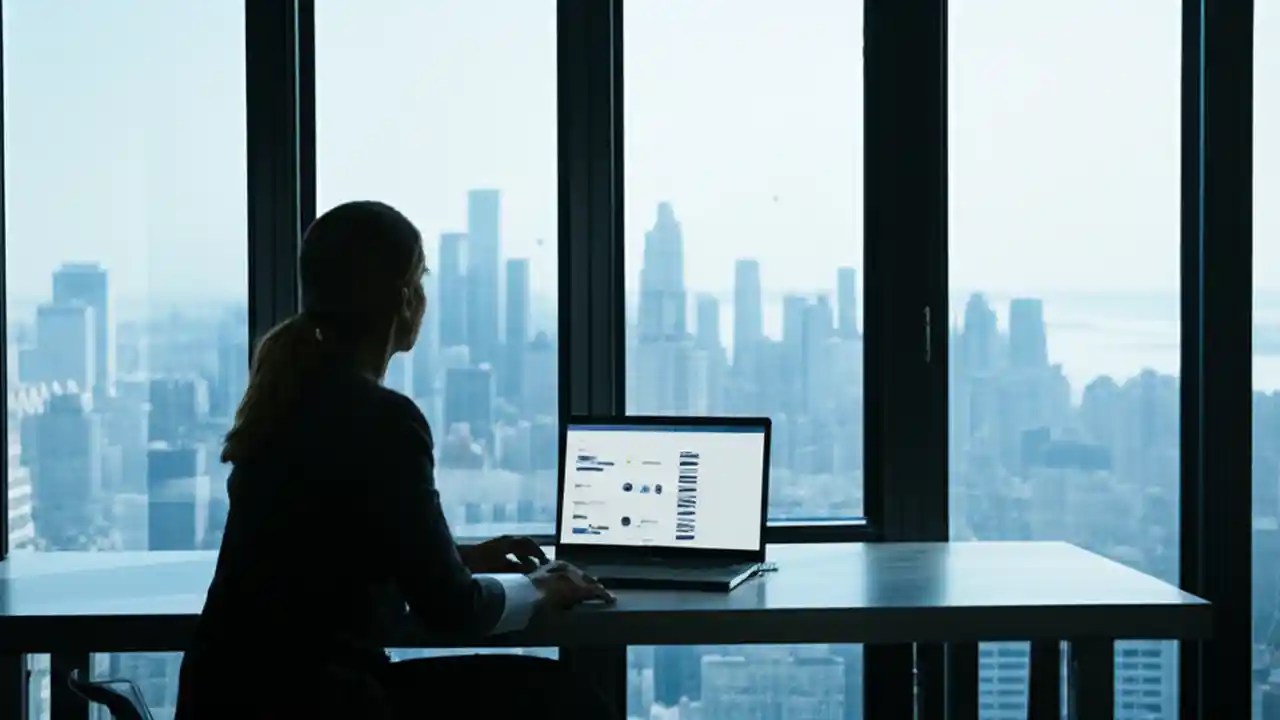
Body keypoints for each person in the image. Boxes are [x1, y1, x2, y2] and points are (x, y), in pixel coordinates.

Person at [175, 201, 617, 719]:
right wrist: (539, 586)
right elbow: (453, 612)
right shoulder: (385, 420)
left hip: (226, 699)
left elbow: (327, 551)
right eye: (421, 281)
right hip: (323, 702)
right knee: (566, 701)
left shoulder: (287, 398)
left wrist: (457, 558)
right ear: (405, 299)